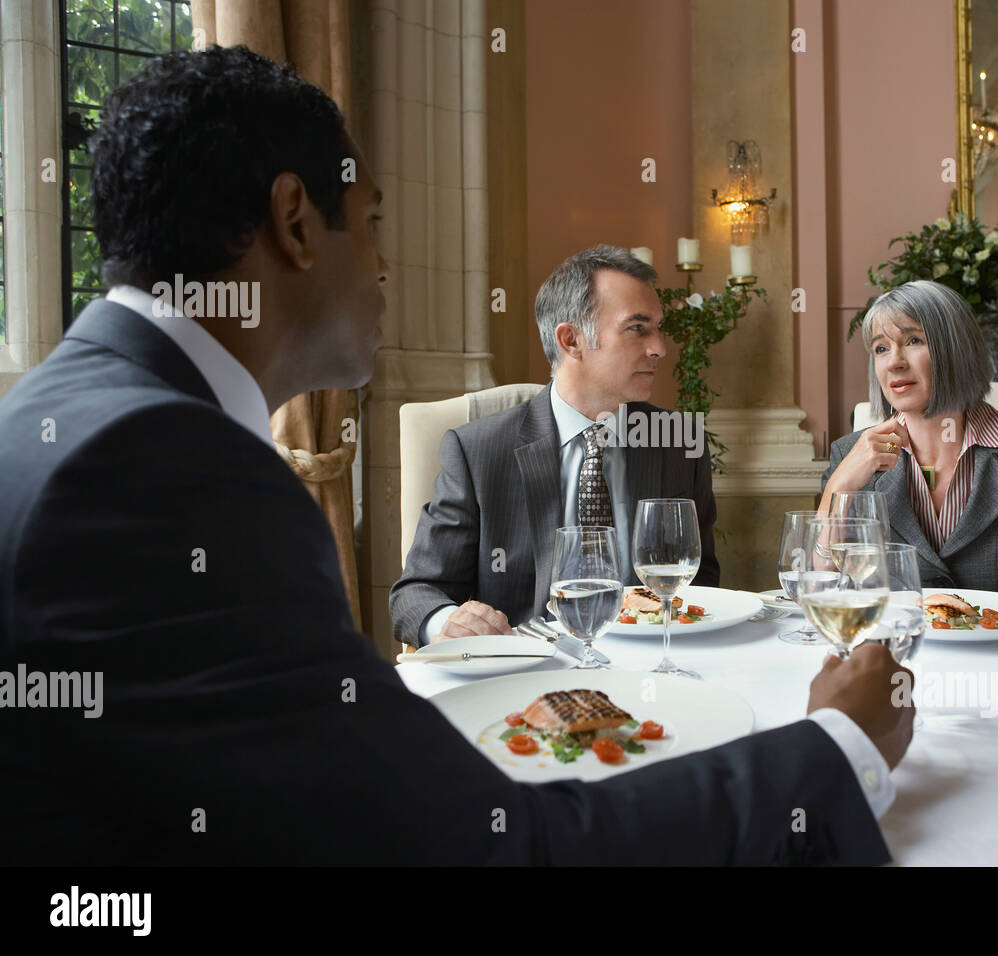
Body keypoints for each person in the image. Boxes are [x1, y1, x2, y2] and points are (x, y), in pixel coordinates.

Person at [0, 45, 912, 865]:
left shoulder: (93, 419)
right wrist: (836, 746)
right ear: (295, 221)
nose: (388, 269)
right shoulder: (161, 466)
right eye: (376, 222)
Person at [389, 246, 720, 645]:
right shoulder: (478, 452)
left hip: (649, 671)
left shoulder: (678, 445)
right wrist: (448, 622)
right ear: (571, 340)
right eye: (637, 328)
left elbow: (701, 583)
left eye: (657, 328)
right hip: (526, 674)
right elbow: (414, 594)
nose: (659, 348)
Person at [822, 279, 998, 623]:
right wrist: (838, 488)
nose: (894, 363)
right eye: (880, 348)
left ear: (956, 349)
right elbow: (821, 592)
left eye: (914, 340)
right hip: (892, 663)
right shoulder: (849, 454)